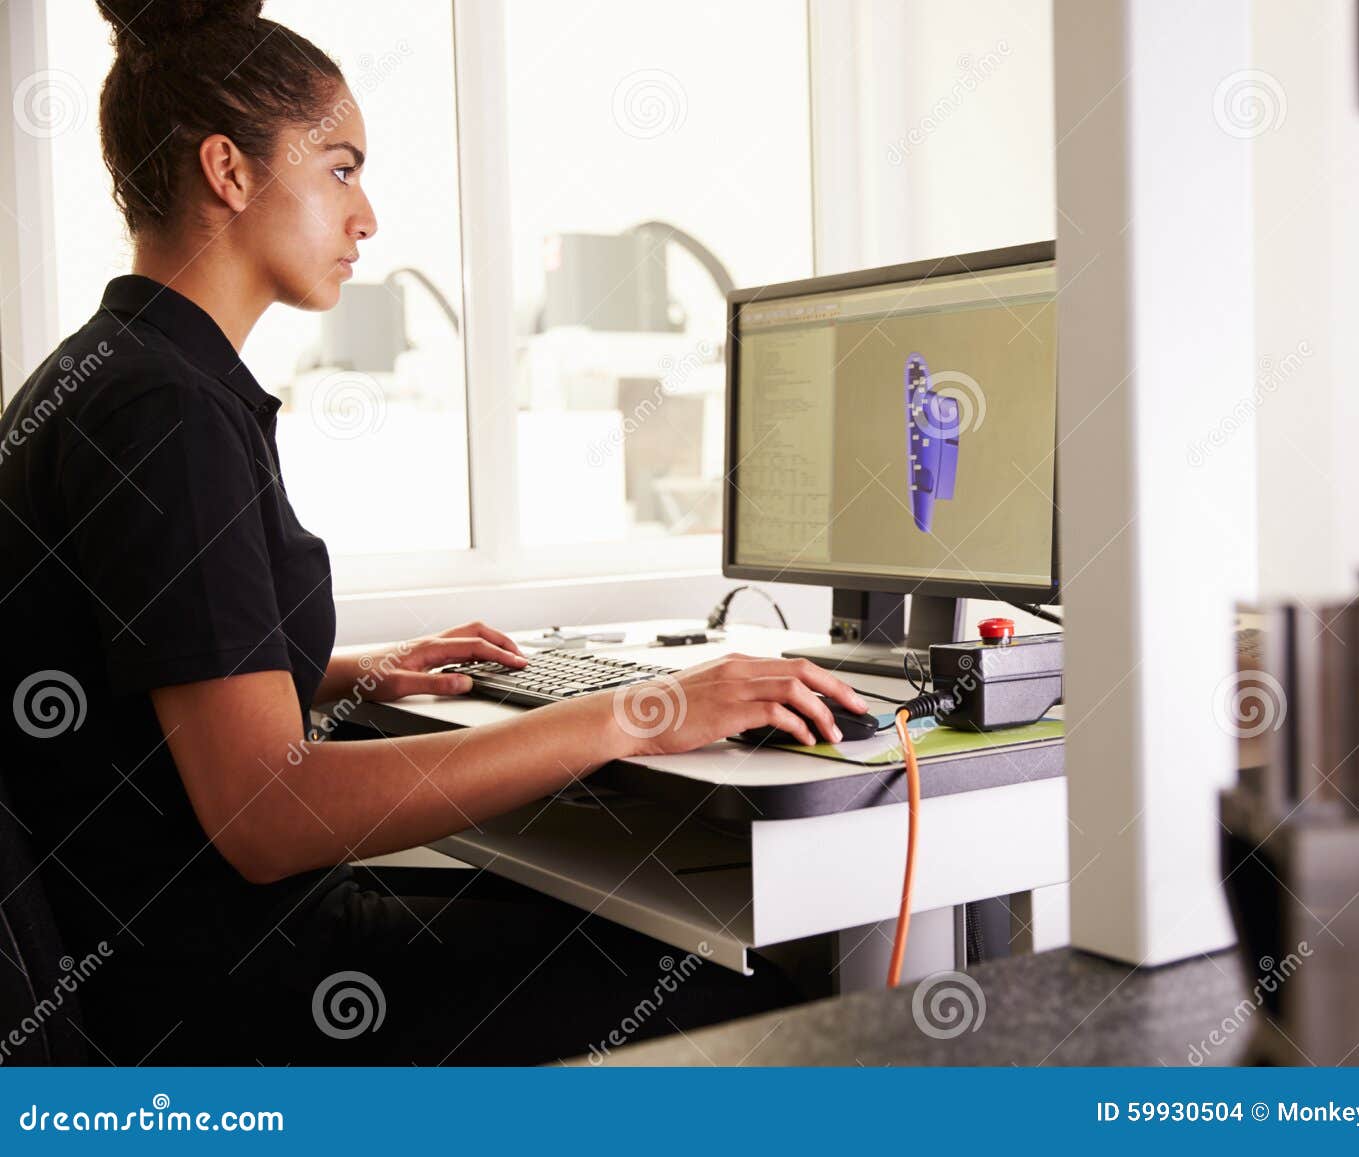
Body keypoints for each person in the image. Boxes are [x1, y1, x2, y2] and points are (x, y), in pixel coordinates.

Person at [0, 0, 868, 1065]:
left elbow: (125, 676)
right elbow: (265, 812)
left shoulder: (107, 373)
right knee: (754, 1002)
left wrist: (348, 670)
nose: (366, 217)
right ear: (228, 171)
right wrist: (639, 710)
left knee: (618, 923)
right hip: (215, 987)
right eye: (342, 168)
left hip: (158, 942)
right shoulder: (166, 412)